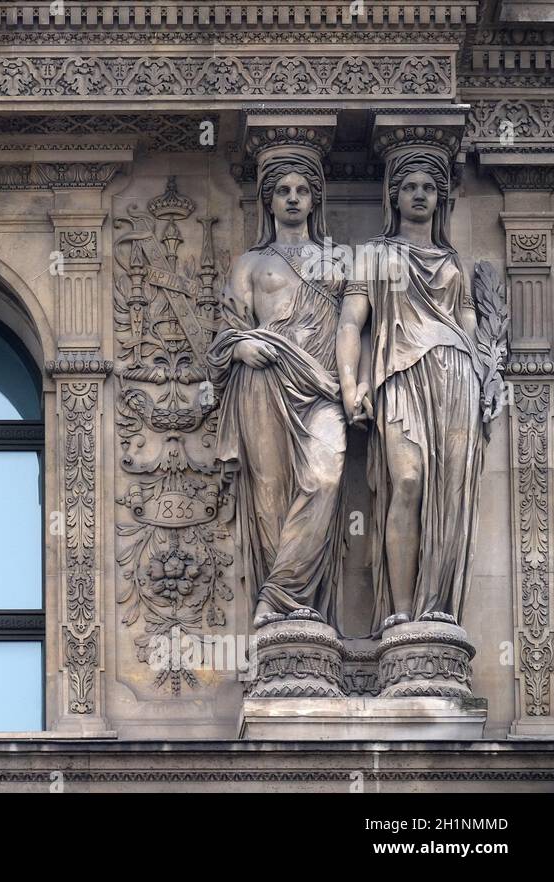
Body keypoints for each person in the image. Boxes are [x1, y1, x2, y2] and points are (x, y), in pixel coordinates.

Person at [337, 150, 498, 631]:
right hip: (400, 376)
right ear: (395, 196)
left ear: (441, 198)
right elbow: (350, 322)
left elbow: (470, 327)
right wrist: (350, 384)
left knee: (447, 495)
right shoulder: (373, 255)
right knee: (405, 482)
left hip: (455, 377)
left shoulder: (452, 261)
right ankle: (401, 612)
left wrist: (486, 377)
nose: (420, 195)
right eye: (410, 187)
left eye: (429, 187)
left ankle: (437, 610)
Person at [208, 152, 348, 629]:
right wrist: (243, 346)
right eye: (283, 191)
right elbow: (227, 329)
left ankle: (284, 591)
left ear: (314, 200)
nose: (292, 198)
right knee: (268, 491)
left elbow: (358, 329)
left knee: (324, 480)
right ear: (268, 201)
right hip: (264, 379)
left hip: (324, 387)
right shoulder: (250, 263)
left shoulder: (339, 261)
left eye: (302, 190)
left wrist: (358, 383)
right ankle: (281, 609)